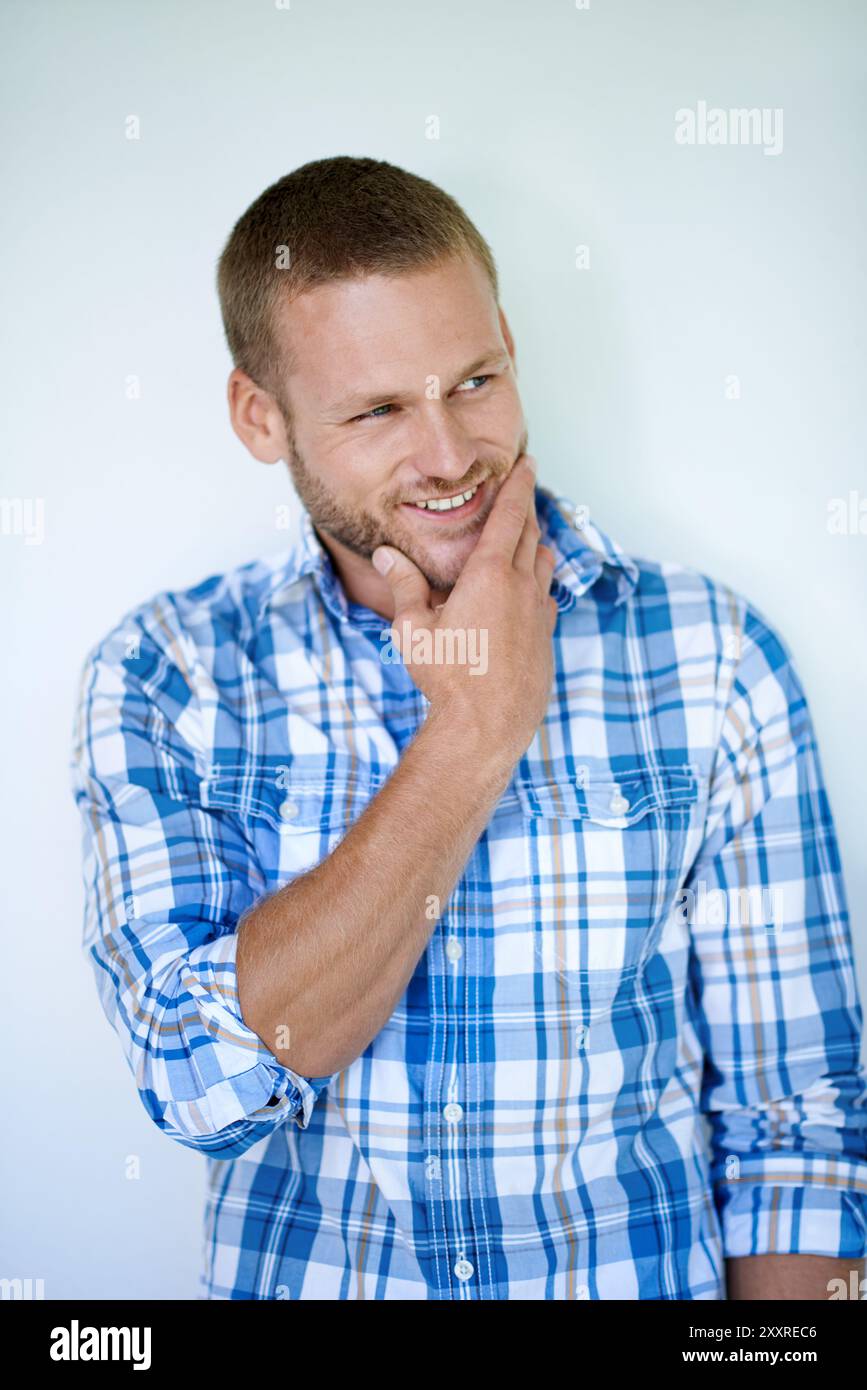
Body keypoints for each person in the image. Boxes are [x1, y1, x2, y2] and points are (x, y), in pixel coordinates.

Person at [70, 156, 867, 1300]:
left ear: (508, 340)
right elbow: (205, 1080)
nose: (450, 457)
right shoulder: (167, 674)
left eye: (476, 380)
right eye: (379, 408)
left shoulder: (714, 654)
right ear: (262, 415)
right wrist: (475, 731)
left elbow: (798, 1128)